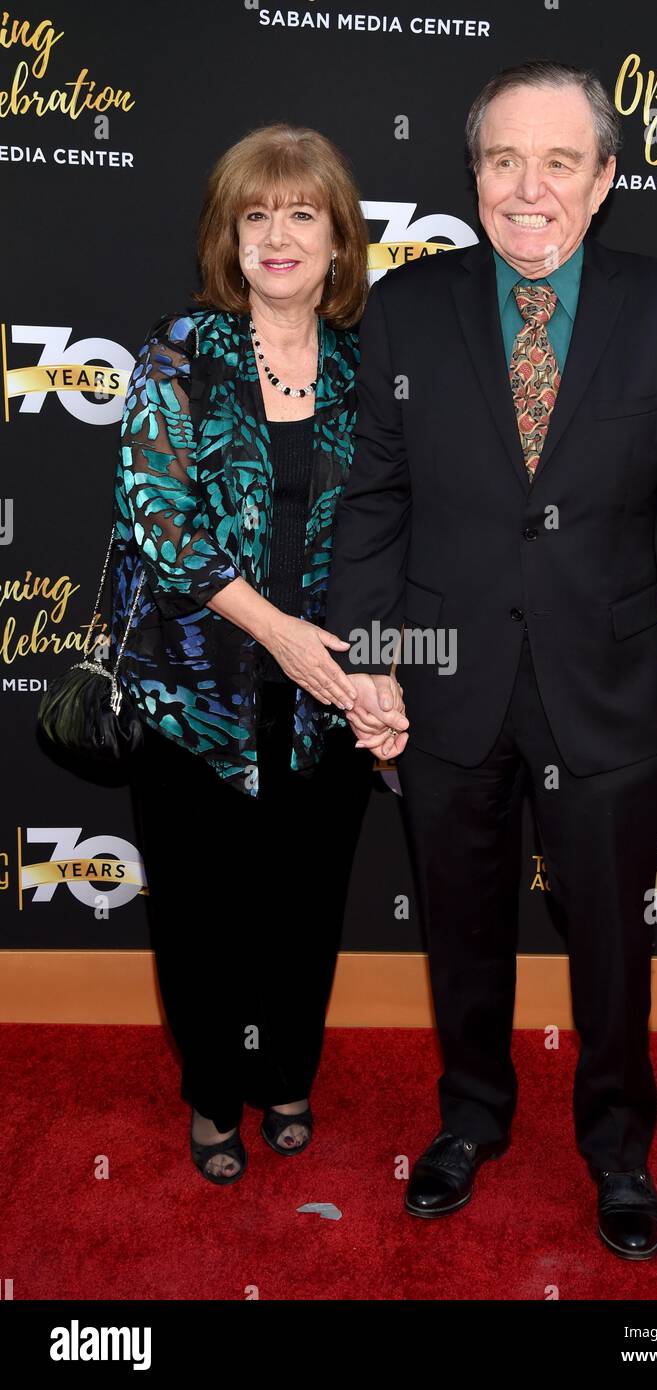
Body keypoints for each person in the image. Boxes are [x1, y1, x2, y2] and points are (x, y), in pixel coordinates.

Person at [325, 61, 657, 1258]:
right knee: (459, 926)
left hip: (607, 688)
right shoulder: (408, 310)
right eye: (502, 159)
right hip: (443, 681)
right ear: (472, 176)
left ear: (604, 179)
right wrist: (373, 663)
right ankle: (468, 1120)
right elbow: (375, 502)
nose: (527, 187)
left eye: (558, 161)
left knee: (612, 939)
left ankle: (616, 1147)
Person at [110, 123, 403, 1184]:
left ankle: (285, 1073)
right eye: (255, 216)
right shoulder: (178, 353)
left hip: (323, 702)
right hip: (195, 698)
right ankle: (210, 1098)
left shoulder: (377, 370)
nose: (278, 236)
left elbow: (396, 536)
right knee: (200, 912)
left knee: (304, 902)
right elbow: (159, 516)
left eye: (302, 215)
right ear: (229, 239)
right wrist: (277, 632)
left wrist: (372, 673)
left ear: (337, 241)